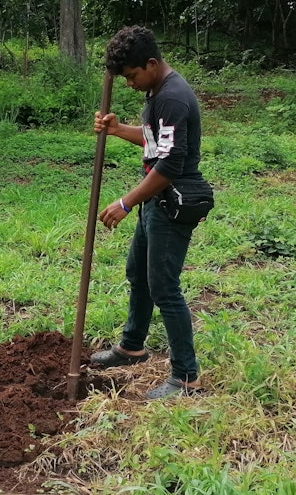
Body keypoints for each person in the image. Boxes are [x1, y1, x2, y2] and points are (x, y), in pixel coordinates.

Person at [89, 25, 207, 399]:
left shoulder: (172, 97)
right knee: (137, 272)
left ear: (152, 63)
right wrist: (118, 128)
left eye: (132, 76)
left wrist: (127, 202)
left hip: (171, 204)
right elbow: (155, 139)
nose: (129, 84)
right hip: (155, 201)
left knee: (164, 287)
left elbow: (170, 164)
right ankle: (132, 347)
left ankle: (186, 376)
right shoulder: (157, 91)